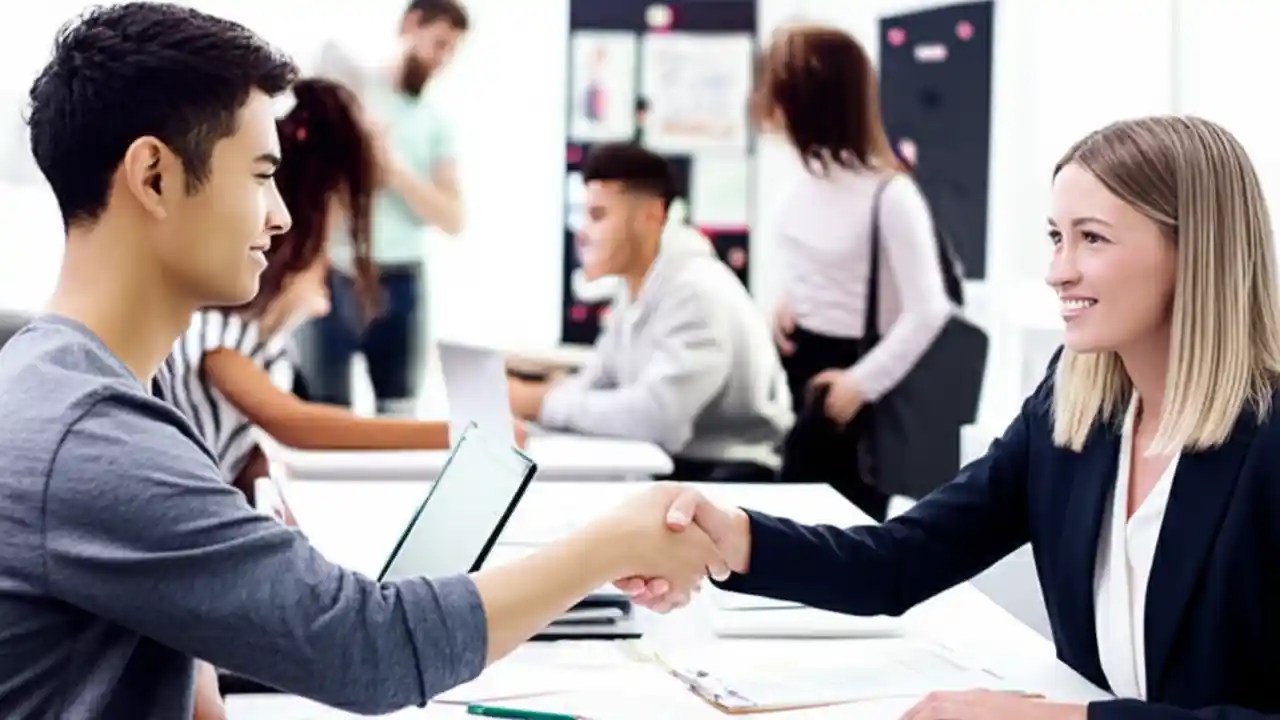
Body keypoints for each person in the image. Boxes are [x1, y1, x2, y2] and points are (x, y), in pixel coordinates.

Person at [0, 5, 724, 717]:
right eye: (259, 175)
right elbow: (368, 651)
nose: (280, 215)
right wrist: (613, 543)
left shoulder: (76, 385)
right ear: (154, 176)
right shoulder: (91, 435)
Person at [626, 115, 1280, 718]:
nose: (1058, 270)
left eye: (1092, 239)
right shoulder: (1076, 408)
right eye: (1057, 237)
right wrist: (730, 536)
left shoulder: (1267, 441)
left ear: (1193, 250)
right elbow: (903, 558)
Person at [163, 77, 495, 498]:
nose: (324, 301)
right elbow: (295, 423)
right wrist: (461, 435)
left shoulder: (264, 348)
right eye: (322, 270)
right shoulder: (217, 335)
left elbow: (247, 454)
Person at [507, 143, 793, 483]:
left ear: (652, 216)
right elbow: (597, 381)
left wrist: (538, 403)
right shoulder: (636, 286)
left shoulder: (695, 291)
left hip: (725, 476)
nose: (582, 232)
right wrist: (537, 402)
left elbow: (658, 419)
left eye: (598, 215)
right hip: (674, 467)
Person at [760, 26, 953, 520]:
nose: (768, 99)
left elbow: (929, 310)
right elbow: (818, 259)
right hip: (802, 365)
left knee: (830, 528)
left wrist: (860, 384)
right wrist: (789, 301)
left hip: (853, 381)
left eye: (781, 84)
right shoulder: (806, 177)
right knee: (791, 517)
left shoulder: (890, 195)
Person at [303, 0, 468, 417]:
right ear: (411, 25)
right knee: (326, 414)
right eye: (439, 44)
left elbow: (452, 217)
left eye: (452, 51)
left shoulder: (436, 123)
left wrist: (392, 170)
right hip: (336, 276)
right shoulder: (353, 90)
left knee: (399, 412)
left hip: (403, 283)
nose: (442, 59)